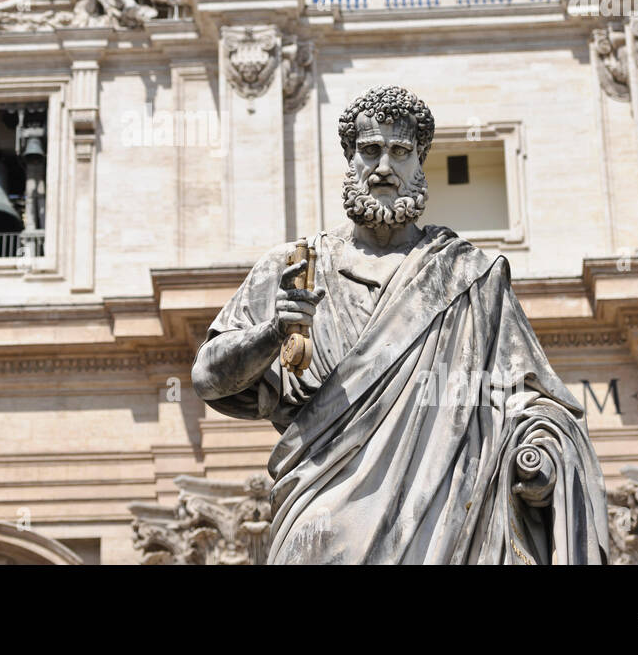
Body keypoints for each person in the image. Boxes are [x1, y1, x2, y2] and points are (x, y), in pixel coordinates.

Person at [193, 84, 610, 564]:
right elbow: (207, 378)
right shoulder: (296, 266)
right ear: (350, 161)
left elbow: (525, 393)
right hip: (321, 511)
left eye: (400, 151)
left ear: (420, 161)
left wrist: (540, 449)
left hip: (443, 511)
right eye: (370, 151)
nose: (384, 167)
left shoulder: (468, 275)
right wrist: (272, 333)